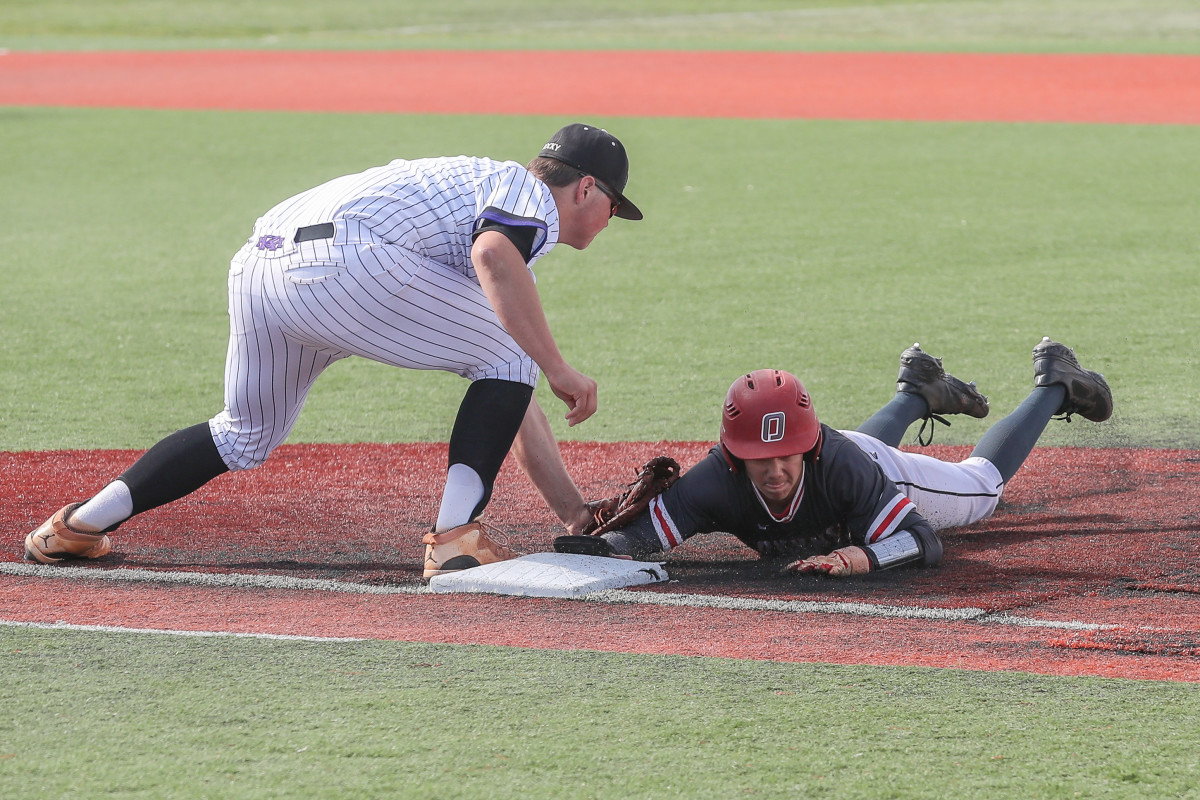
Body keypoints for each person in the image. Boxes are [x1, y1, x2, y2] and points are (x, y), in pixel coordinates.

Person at [23, 123, 642, 577]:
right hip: (344, 263)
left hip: (262, 263)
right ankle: (455, 541)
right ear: (585, 187)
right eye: (613, 206)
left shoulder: (478, 188)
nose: (609, 220)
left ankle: (77, 526)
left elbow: (511, 377)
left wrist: (572, 514)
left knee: (244, 433)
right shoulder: (525, 193)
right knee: (512, 358)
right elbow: (493, 260)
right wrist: (559, 368)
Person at [568, 338, 1112, 576]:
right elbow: (642, 536)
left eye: (788, 454)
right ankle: (918, 389)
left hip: (883, 472)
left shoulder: (842, 467)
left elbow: (924, 540)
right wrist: (600, 546)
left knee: (983, 487)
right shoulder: (716, 479)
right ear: (735, 455)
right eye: (762, 457)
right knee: (850, 456)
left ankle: (1056, 384)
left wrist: (865, 557)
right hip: (846, 456)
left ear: (808, 444)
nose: (776, 468)